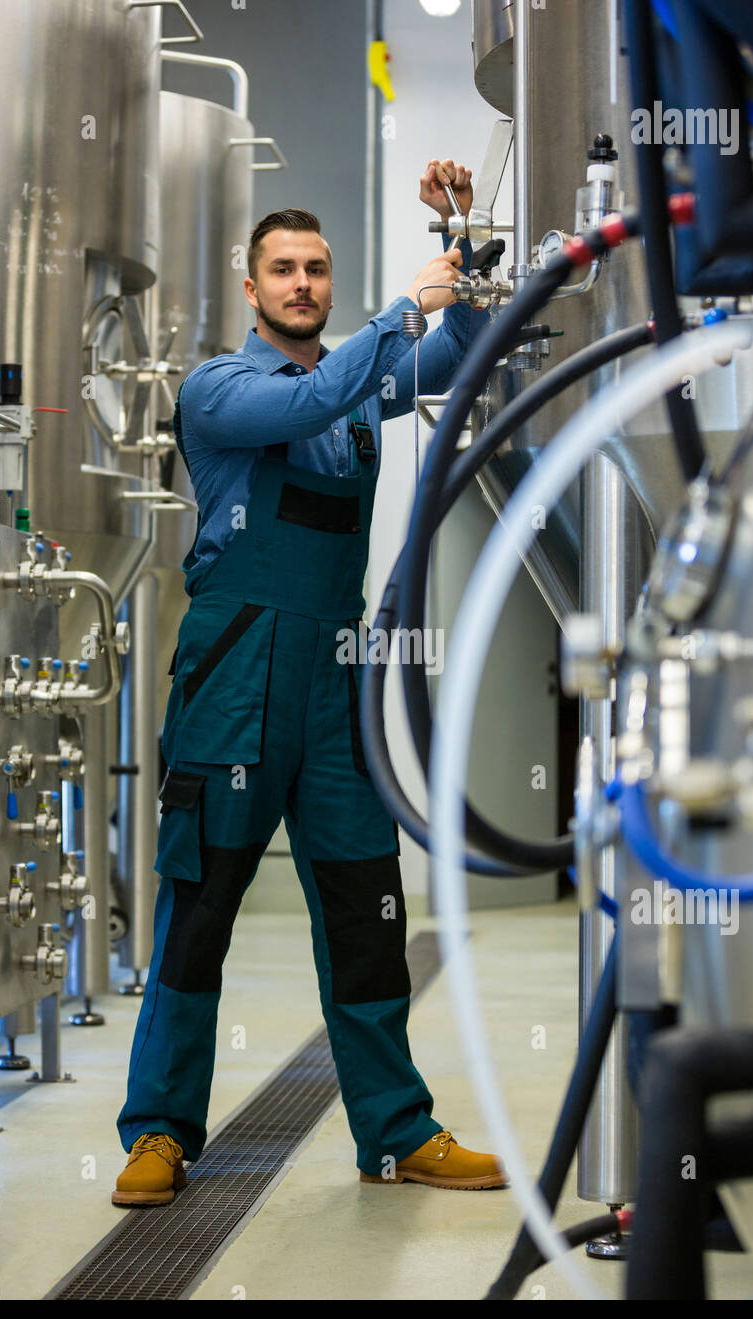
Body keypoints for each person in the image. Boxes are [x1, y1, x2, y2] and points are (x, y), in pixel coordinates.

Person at [113, 158, 507, 1204]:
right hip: (234, 677)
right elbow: (332, 387)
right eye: (282, 269)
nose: (300, 282)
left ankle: (396, 1130)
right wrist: (398, 308)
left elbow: (458, 361)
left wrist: (459, 250)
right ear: (252, 289)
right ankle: (157, 1131)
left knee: (366, 911)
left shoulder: (362, 377)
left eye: (316, 269)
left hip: (334, 686)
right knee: (199, 911)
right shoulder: (220, 389)